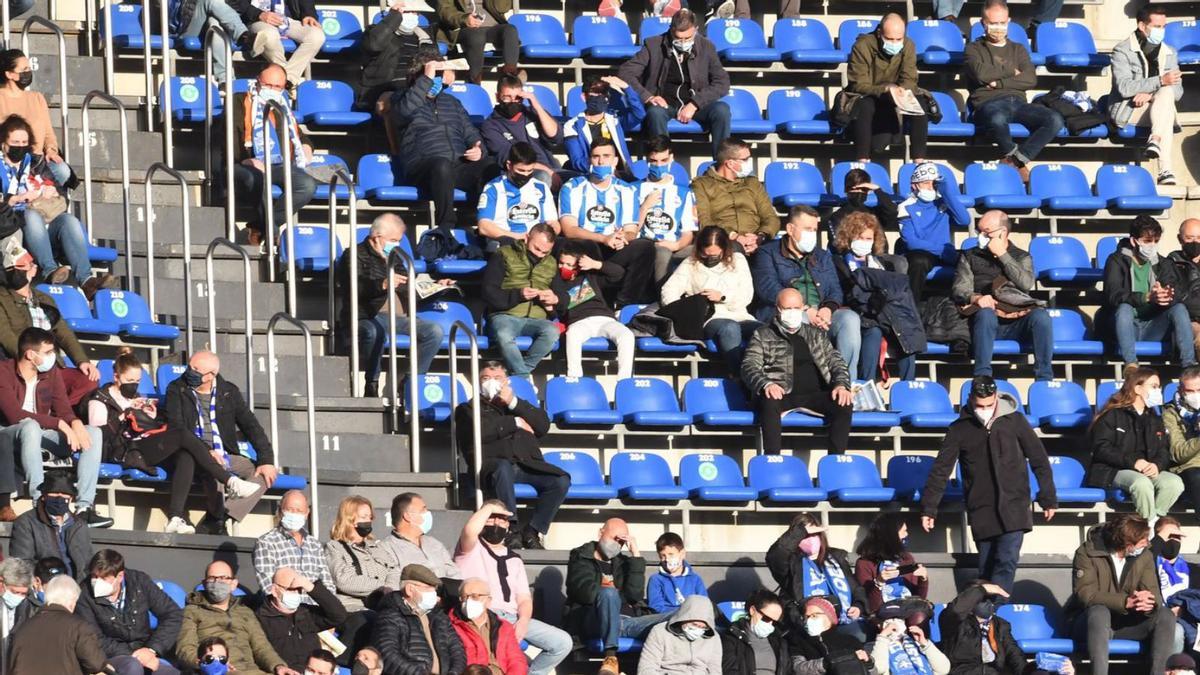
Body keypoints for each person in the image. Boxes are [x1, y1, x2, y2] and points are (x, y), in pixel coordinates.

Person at [86, 348, 260, 534]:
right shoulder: (100, 399)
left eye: (137, 381)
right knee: (181, 433)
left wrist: (151, 416)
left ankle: (175, 517)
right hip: (123, 450)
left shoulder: (136, 398)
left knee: (186, 455)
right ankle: (230, 481)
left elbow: (149, 428)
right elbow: (99, 436)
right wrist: (124, 414)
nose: (134, 386)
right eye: (130, 381)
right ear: (116, 377)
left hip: (145, 444)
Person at [920, 375, 1056, 593]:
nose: (984, 409)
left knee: (1006, 559)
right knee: (986, 568)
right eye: (979, 405)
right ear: (970, 399)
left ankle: (994, 612)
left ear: (996, 398)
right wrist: (929, 508)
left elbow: (1039, 459)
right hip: (981, 507)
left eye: (989, 405)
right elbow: (941, 470)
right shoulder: (959, 429)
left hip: (1015, 505)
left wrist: (1048, 497)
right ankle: (984, 616)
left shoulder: (1015, 421)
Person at [0, 327, 109, 527]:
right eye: (48, 353)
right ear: (31, 355)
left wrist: (74, 423)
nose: (53, 357)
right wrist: (59, 423)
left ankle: (84, 507)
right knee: (30, 426)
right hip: (9, 433)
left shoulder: (51, 373)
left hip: (40, 434)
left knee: (93, 432)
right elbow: (14, 415)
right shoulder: (3, 371)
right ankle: (38, 501)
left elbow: (64, 409)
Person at [163, 350, 277, 534]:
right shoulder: (176, 389)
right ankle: (216, 522)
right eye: (190, 367)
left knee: (264, 475)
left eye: (195, 369)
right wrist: (206, 450)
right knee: (215, 468)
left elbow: (251, 425)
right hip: (193, 453)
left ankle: (219, 516)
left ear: (210, 376)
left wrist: (266, 459)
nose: (188, 371)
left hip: (225, 453)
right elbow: (177, 427)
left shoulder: (228, 392)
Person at [457, 362, 569, 547]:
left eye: (497, 378)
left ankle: (533, 531)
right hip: (491, 465)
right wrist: (514, 422)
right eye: (486, 379)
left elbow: (542, 426)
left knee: (560, 480)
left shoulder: (519, 405)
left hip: (526, 464)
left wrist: (513, 403)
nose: (491, 383)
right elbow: (479, 432)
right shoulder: (468, 409)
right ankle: (511, 529)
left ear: (507, 382)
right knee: (503, 468)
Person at [1, 115, 114, 296]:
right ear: (3, 144)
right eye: (15, 142)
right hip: (12, 225)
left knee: (68, 220)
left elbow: (61, 195)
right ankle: (50, 271)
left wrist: (51, 191)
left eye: (24, 142)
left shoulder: (35, 163)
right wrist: (19, 198)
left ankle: (87, 280)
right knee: (30, 215)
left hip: (43, 222)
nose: (20, 146)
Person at [454, 500, 572, 675]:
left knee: (562, 642)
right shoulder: (470, 549)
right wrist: (489, 508)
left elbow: (524, 598)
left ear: (508, 524)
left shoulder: (514, 559)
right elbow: (470, 530)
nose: (496, 523)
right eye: (491, 518)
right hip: (484, 614)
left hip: (513, 617)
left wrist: (523, 620)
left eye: (501, 519)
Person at [336, 213, 446, 396]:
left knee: (434, 331)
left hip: (399, 317)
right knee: (374, 332)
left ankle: (411, 383)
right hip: (368, 315)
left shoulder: (395, 257)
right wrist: (382, 284)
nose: (397, 244)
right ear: (378, 238)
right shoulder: (354, 254)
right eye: (394, 240)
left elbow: (408, 288)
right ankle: (371, 383)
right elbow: (354, 287)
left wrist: (437, 288)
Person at [741, 288, 853, 456]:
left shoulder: (817, 335)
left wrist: (841, 385)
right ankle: (773, 458)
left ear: (803, 308)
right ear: (778, 309)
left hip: (814, 395)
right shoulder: (763, 334)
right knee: (769, 401)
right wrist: (766, 384)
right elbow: (749, 366)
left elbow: (836, 362)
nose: (792, 312)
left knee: (843, 402)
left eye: (796, 308)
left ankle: (836, 460)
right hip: (781, 395)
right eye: (787, 308)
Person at [752, 205, 861, 375]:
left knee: (849, 318)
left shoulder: (822, 256)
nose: (812, 234)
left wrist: (828, 309)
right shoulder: (767, 253)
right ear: (790, 229)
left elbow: (835, 290)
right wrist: (804, 309)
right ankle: (810, 381)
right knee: (798, 318)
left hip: (820, 315)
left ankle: (845, 381)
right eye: (807, 229)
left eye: (815, 230)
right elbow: (769, 289)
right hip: (784, 313)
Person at [964, 0, 1064, 181]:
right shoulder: (973, 49)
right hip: (988, 104)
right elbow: (980, 74)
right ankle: (1016, 162)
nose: (998, 27)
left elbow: (1030, 79)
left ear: (1008, 21)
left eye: (1002, 23)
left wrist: (998, 83)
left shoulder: (1018, 49)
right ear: (983, 23)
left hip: (1018, 103)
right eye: (993, 23)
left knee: (1054, 119)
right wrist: (1011, 71)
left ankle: (1016, 160)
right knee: (997, 118)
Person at [1065, 513, 1176, 675]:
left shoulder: (1144, 554)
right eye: (1143, 539)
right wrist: (1125, 602)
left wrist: (1148, 603)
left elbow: (1154, 594)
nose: (1147, 542)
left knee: (1165, 615)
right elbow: (1085, 594)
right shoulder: (1087, 552)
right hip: (1089, 624)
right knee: (1099, 612)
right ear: (1127, 543)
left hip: (1125, 624)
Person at [954, 210, 1055, 382]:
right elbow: (959, 288)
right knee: (985, 313)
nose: (981, 236)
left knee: (1041, 316)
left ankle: (1044, 378)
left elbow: (1026, 283)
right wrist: (977, 298)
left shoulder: (1021, 256)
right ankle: (982, 376)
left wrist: (1002, 255)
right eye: (979, 231)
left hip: (1016, 319)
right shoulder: (970, 255)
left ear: (1003, 232)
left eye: (986, 232)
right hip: (983, 321)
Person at [618, 9, 731, 160]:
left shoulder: (706, 47)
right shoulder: (653, 45)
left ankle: (722, 164)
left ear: (696, 30)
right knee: (655, 112)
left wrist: (695, 103)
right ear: (671, 30)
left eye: (688, 38)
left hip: (695, 104)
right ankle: (662, 161)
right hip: (664, 104)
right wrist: (648, 97)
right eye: (679, 38)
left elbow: (722, 82)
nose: (683, 42)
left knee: (722, 110)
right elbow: (626, 72)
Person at [396, 49, 488, 232]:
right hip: (423, 165)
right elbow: (405, 112)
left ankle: (487, 227)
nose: (437, 80)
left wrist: (479, 150)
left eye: (439, 75)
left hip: (457, 163)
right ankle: (445, 228)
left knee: (490, 168)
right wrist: (426, 78)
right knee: (441, 165)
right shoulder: (401, 98)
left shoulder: (452, 102)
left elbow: (471, 134)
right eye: (434, 75)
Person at [559, 138, 656, 307]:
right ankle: (584, 301)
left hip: (614, 248)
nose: (601, 161)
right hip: (588, 245)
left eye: (606, 156)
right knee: (582, 244)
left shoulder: (627, 190)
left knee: (645, 247)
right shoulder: (572, 187)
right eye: (596, 156)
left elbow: (631, 230)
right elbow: (569, 229)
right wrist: (604, 238)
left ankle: (624, 305)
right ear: (590, 159)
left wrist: (621, 237)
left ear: (615, 160)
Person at [565, 517, 667, 675]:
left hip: (628, 623)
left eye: (621, 542)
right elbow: (584, 593)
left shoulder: (624, 562)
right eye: (615, 539)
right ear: (601, 533)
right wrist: (613, 592)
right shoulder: (581, 557)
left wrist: (635, 556)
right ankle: (611, 657)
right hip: (595, 620)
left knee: (689, 609)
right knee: (608, 593)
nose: (617, 545)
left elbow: (634, 595)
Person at [229, 64, 318, 245]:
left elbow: (298, 134)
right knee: (258, 178)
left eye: (277, 87)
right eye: (268, 85)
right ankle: (272, 232)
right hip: (243, 163)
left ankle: (261, 227)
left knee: (307, 185)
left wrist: (307, 146)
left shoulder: (282, 107)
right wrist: (246, 159)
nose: (272, 90)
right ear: (258, 82)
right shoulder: (238, 101)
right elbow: (229, 134)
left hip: (279, 164)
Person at [831, 211, 922, 381]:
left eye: (868, 239)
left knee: (906, 333)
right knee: (873, 332)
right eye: (860, 237)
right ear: (849, 237)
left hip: (889, 314)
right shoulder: (838, 262)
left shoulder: (886, 264)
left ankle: (909, 384)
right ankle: (867, 384)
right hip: (862, 314)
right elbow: (846, 292)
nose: (864, 243)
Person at [1088, 367, 1184, 521]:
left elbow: (1164, 450)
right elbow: (1101, 448)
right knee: (1141, 484)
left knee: (1174, 483)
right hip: (1114, 469)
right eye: (1153, 386)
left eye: (1158, 387)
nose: (1158, 391)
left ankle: (1151, 524)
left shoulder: (1155, 419)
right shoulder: (1112, 415)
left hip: (1147, 469)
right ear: (1138, 388)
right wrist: (1133, 462)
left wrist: (1157, 465)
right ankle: (1148, 529)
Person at [1103, 215, 1196, 373]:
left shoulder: (1163, 263)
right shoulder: (1116, 261)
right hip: (1126, 326)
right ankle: (1131, 365)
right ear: (1134, 241)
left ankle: (1189, 365)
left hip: (1153, 326)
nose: (1152, 246)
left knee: (1179, 308)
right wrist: (1146, 297)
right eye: (1147, 241)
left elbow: (1178, 292)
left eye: (1155, 241)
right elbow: (1113, 295)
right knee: (1124, 308)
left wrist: (1166, 295)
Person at [176, 560, 296, 675]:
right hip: (217, 670)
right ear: (204, 583)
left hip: (252, 671)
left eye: (223, 578)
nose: (217, 582)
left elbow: (261, 647)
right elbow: (185, 649)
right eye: (212, 578)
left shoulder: (245, 612)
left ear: (234, 584)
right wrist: (209, 663)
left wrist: (278, 666)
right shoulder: (192, 611)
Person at [765, 513, 870, 644]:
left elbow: (855, 588)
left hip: (842, 622)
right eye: (806, 536)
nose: (811, 539)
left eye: (814, 535)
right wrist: (800, 532)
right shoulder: (791, 563)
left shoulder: (836, 558)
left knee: (861, 634)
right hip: (806, 624)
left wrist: (858, 606)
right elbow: (775, 556)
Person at [664, 225, 758, 371]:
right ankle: (738, 375)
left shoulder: (738, 261)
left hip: (739, 314)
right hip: (709, 317)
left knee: (765, 330)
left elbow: (746, 295)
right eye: (705, 254)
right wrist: (683, 312)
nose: (709, 259)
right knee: (729, 328)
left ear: (724, 249)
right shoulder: (691, 263)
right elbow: (669, 289)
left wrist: (722, 297)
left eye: (714, 255)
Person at [75, 549, 183, 675]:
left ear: (120, 576)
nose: (96, 582)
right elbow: (94, 637)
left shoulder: (139, 582)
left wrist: (151, 649)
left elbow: (173, 614)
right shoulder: (84, 594)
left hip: (146, 649)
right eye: (94, 576)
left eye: (104, 577)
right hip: (110, 656)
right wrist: (135, 655)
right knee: (132, 667)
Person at [1110, 4, 1184, 186]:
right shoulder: (1122, 51)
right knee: (1165, 98)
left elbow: (1178, 91)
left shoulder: (1170, 52)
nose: (1161, 31)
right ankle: (1165, 169)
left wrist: (1150, 94)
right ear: (1143, 26)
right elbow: (1125, 88)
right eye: (1157, 27)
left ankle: (1155, 139)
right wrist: (1159, 81)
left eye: (1164, 27)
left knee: (1166, 94)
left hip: (1157, 106)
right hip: (1129, 111)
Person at [845, 14, 927, 164]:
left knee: (920, 103)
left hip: (896, 96)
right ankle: (862, 160)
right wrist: (885, 89)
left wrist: (901, 90)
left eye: (898, 39)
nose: (894, 43)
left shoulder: (908, 45)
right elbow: (858, 84)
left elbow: (910, 78)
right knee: (865, 105)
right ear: (879, 33)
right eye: (889, 39)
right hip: (869, 95)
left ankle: (919, 161)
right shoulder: (862, 46)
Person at [481, 223, 560, 376]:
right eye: (537, 248)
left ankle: (520, 373)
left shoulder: (551, 262)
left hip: (537, 318)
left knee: (552, 332)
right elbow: (488, 291)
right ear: (526, 238)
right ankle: (523, 377)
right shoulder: (503, 254)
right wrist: (518, 295)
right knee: (504, 335)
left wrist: (554, 299)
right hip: (505, 314)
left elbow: (562, 296)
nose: (540, 254)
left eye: (545, 252)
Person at [358, 0, 433, 154]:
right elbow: (373, 45)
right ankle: (398, 155)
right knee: (391, 100)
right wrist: (393, 17)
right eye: (409, 12)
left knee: (449, 104)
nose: (414, 15)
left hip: (416, 90)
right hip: (381, 90)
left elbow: (436, 61)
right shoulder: (376, 32)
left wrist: (447, 73)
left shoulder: (424, 37)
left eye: (416, 12)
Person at [552, 242, 636, 378]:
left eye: (569, 265)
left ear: (578, 266)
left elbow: (619, 274)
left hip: (605, 319)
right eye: (561, 263)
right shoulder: (556, 281)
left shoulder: (591, 276)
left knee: (626, 335)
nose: (563, 267)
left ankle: (624, 381)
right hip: (579, 321)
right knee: (572, 334)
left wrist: (596, 264)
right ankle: (574, 378)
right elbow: (560, 307)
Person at [370, 563, 467, 675]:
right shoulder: (390, 615)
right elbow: (387, 654)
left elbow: (457, 649)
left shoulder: (438, 616)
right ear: (410, 590)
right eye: (428, 588)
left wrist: (454, 672)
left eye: (435, 590)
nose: (435, 595)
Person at [6, 574, 111, 675]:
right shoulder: (79, 627)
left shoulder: (23, 629)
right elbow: (96, 663)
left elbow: (12, 666)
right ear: (72, 601)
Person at [896, 161, 970, 302]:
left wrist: (946, 192)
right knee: (919, 261)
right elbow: (912, 242)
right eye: (926, 183)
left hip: (945, 253)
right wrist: (943, 250)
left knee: (974, 258)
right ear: (914, 185)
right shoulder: (905, 207)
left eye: (933, 183)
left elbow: (964, 220)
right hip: (924, 252)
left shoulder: (943, 202)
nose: (930, 187)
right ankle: (911, 309)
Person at [690, 139, 778, 255]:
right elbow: (704, 220)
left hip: (757, 244)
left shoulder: (753, 183)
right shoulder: (701, 185)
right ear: (730, 163)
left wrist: (759, 237)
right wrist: (733, 236)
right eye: (745, 159)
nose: (749, 163)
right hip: (723, 243)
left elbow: (770, 217)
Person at [255, 567, 348, 671]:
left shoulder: (306, 613)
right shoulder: (259, 618)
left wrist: (309, 586)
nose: (295, 593)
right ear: (275, 591)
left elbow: (339, 616)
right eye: (290, 589)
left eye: (299, 589)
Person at [0, 50, 69, 184]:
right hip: (8, 158)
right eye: (24, 69)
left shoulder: (36, 98)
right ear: (9, 74)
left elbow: (48, 132)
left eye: (29, 68)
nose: (28, 72)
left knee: (63, 171)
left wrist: (51, 150)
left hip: (37, 160)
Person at [8, 470, 94, 578]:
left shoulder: (79, 525)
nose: (59, 497)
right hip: (43, 587)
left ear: (71, 498)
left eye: (64, 494)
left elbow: (88, 564)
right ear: (44, 496)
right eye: (54, 493)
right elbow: (22, 563)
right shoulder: (26, 523)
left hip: (76, 588)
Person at [635, 135, 697, 283]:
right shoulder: (633, 189)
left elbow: (688, 232)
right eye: (653, 161)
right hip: (645, 244)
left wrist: (676, 245)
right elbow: (630, 231)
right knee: (662, 253)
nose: (659, 165)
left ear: (671, 158)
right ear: (646, 161)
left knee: (707, 251)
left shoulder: (685, 193)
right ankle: (663, 301)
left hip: (676, 245)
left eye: (664, 160)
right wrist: (644, 207)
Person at [325, 495, 403, 611]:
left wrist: (390, 588)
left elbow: (394, 569)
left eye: (370, 517)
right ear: (349, 519)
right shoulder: (334, 547)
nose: (368, 521)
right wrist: (380, 586)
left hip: (384, 604)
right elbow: (344, 580)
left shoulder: (376, 546)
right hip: (354, 607)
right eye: (364, 517)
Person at [254, 491, 335, 596]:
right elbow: (268, 587)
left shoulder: (315, 545)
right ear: (280, 510)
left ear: (306, 514)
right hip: (286, 608)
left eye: (299, 511)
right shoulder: (266, 542)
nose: (294, 514)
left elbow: (327, 583)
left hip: (317, 608)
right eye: (289, 510)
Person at [481, 75, 562, 180]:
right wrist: (547, 171)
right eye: (507, 97)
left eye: (517, 98)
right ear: (497, 97)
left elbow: (555, 136)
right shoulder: (490, 125)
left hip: (551, 169)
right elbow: (513, 159)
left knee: (577, 180)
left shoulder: (533, 113)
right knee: (543, 177)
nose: (513, 101)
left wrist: (536, 104)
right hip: (522, 173)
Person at [477, 141, 560, 243]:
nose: (525, 175)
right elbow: (484, 227)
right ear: (509, 165)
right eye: (521, 170)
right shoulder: (493, 188)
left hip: (538, 245)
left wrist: (551, 231)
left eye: (530, 171)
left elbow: (553, 222)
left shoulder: (541, 187)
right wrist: (518, 237)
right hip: (507, 242)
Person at [938, 581, 1027, 675]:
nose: (989, 603)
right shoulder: (954, 622)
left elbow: (1013, 653)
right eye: (983, 598)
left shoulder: (999, 624)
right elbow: (956, 611)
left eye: (991, 598)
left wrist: (1026, 671)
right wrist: (982, 590)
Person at [563, 74, 644, 177]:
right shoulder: (572, 126)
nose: (599, 97)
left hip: (622, 176)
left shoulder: (615, 120)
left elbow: (639, 113)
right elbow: (577, 161)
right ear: (584, 97)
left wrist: (626, 87)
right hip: (592, 176)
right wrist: (604, 169)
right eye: (595, 94)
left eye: (603, 94)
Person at [228, 0, 325, 87]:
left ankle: (287, 80)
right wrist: (259, 14)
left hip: (285, 19)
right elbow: (234, 2)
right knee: (269, 35)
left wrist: (309, 14)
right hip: (255, 19)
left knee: (316, 36)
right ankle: (283, 84)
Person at [449, 577, 528, 675]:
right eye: (465, 597)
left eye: (475, 596)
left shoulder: (504, 627)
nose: (469, 601)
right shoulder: (450, 627)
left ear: (488, 600)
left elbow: (516, 659)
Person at [854, 512, 929, 615]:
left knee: (919, 614)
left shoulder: (906, 558)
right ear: (892, 535)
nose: (906, 535)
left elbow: (919, 599)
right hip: (882, 615)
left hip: (908, 610)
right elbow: (871, 607)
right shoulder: (864, 563)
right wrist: (879, 582)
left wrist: (923, 579)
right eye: (904, 531)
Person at [381, 492, 463, 586]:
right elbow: (393, 584)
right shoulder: (387, 548)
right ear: (408, 516)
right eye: (423, 510)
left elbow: (454, 574)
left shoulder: (434, 543)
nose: (428, 513)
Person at [435, 0, 521, 84]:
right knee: (477, 36)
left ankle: (510, 77)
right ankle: (474, 79)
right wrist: (464, 19)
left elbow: (503, 8)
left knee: (510, 30)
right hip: (464, 27)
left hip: (492, 27)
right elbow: (445, 11)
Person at [636, 594, 721, 675]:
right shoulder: (660, 632)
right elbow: (646, 669)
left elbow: (715, 670)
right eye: (694, 624)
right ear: (684, 617)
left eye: (703, 627)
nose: (698, 630)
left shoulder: (714, 637)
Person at [171, 0, 252, 84]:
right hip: (188, 26)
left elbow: (238, 5)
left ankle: (226, 81)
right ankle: (244, 35)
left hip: (217, 26)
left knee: (215, 24)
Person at [790, 596, 873, 673]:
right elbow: (798, 668)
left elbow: (873, 671)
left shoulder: (850, 641)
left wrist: (869, 663)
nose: (808, 621)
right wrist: (827, 662)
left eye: (814, 616)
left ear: (829, 617)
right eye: (806, 617)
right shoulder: (799, 642)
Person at [720, 589, 790, 675]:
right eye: (766, 618)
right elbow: (729, 670)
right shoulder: (731, 638)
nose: (770, 624)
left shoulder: (780, 643)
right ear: (753, 610)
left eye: (775, 622)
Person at [871, 603, 950, 675]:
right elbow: (878, 669)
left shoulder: (916, 642)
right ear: (880, 625)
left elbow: (943, 669)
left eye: (899, 619)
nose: (895, 624)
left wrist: (925, 644)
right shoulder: (876, 647)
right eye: (889, 621)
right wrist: (883, 637)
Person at [826, 167, 898, 242]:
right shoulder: (837, 216)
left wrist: (877, 190)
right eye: (854, 188)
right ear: (846, 190)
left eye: (863, 189)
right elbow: (837, 243)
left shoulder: (874, 214)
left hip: (877, 253)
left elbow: (892, 211)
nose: (859, 192)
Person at [1149, 517, 1189, 653]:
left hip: (1188, 618)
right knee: (1175, 632)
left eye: (1177, 536)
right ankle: (1172, 671)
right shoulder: (1147, 565)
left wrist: (1186, 610)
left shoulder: (1192, 569)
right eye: (1169, 536)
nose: (1174, 540)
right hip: (1159, 619)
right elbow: (1145, 555)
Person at [647, 532, 708, 615]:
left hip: (693, 619)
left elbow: (703, 604)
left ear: (682, 554)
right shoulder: (656, 580)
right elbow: (656, 608)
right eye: (663, 556)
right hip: (666, 621)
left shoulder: (695, 579)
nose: (667, 559)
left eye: (671, 554)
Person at [1165, 366, 1200, 507]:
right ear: (1181, 391)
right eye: (1190, 391)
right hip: (1189, 466)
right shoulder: (1170, 414)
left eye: (1199, 390)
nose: (1196, 395)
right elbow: (1178, 454)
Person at [1167, 219, 1200, 348]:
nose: (1195, 242)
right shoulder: (1171, 264)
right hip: (1190, 321)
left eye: (1199, 238)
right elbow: (1178, 297)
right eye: (1189, 238)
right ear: (1180, 239)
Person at [0, 556, 34, 661]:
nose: (19, 597)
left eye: (23, 593)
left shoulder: (26, 606)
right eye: (15, 592)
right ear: (1, 583)